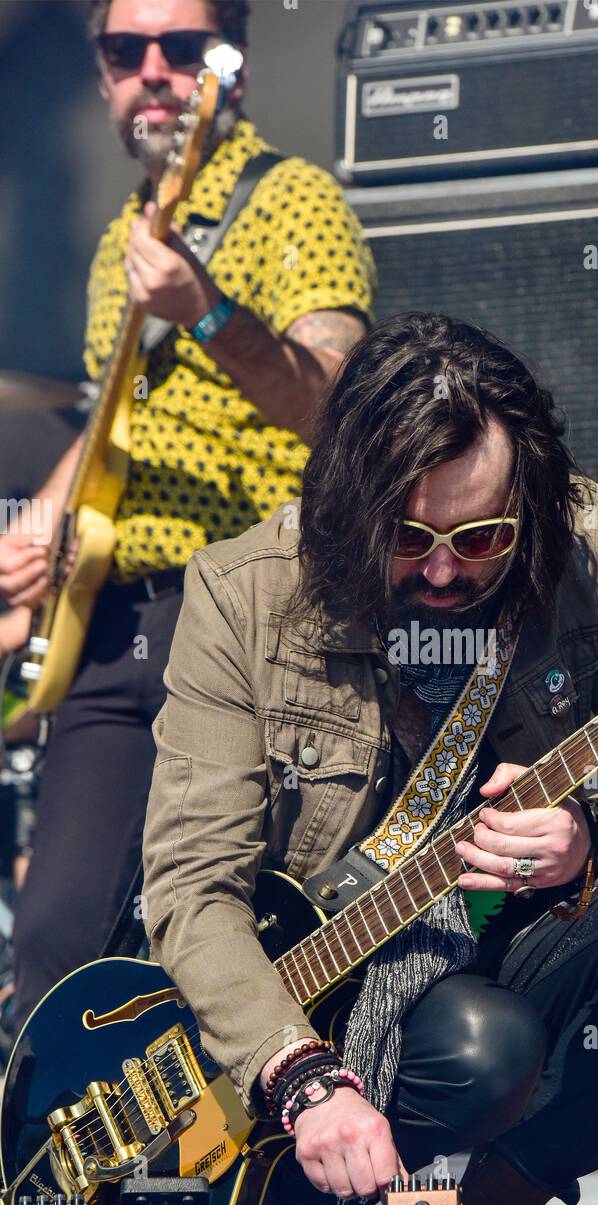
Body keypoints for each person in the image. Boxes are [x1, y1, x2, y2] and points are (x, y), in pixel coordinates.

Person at [140, 313, 598, 1205]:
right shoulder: (244, 593)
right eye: (409, 537)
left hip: (509, 927)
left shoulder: (583, 539)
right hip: (326, 1006)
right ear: (352, 504)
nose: (443, 569)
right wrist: (300, 1074)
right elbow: (190, 892)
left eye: (480, 536)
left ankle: (489, 1204)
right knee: (483, 1046)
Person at [4, 0, 375, 1030]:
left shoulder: (289, 200)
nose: (153, 72)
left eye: (181, 49)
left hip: (242, 620)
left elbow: (335, 401)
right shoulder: (120, 236)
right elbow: (118, 420)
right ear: (102, 78)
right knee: (57, 940)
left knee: (202, 929)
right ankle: (52, 1185)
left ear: (232, 68)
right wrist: (34, 531)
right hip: (117, 628)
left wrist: (204, 310)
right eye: (126, 52)